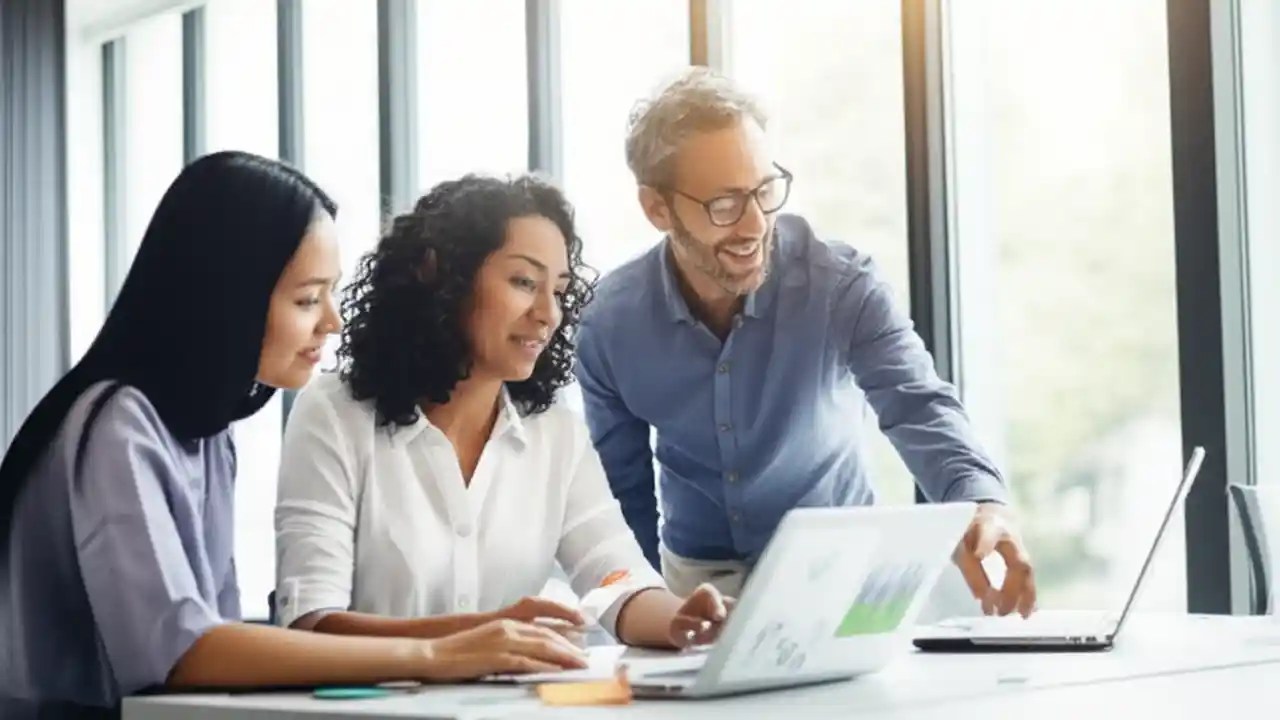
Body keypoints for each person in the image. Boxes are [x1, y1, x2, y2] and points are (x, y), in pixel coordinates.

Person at [0, 152, 586, 710]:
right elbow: (182, 653)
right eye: (308, 298)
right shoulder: (119, 427)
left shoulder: (205, 433)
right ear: (229, 296)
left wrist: (478, 633)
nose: (331, 321)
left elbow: (215, 639)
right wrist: (435, 654)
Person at [574, 67, 1037, 617]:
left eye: (764, 190)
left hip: (844, 570)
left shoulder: (841, 284)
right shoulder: (608, 325)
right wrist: (642, 617)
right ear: (657, 209)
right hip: (695, 587)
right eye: (724, 204)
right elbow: (621, 497)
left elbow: (917, 405)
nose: (754, 225)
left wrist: (981, 504)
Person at [274, 174, 730, 651]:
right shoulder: (334, 413)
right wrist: (483, 634)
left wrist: (681, 619)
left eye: (558, 290)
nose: (548, 313)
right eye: (523, 282)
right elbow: (311, 624)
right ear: (441, 276)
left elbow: (614, 578)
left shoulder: (554, 431)